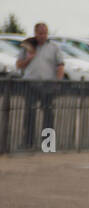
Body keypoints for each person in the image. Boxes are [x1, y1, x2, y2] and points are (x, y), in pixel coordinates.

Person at [15, 22, 64, 150]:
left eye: (45, 33)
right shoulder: (27, 46)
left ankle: (48, 145)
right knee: (29, 113)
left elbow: (60, 65)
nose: (42, 36)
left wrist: (57, 82)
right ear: (35, 33)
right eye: (40, 33)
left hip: (47, 84)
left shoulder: (54, 48)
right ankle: (28, 143)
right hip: (30, 84)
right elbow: (19, 65)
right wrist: (29, 58)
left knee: (48, 113)